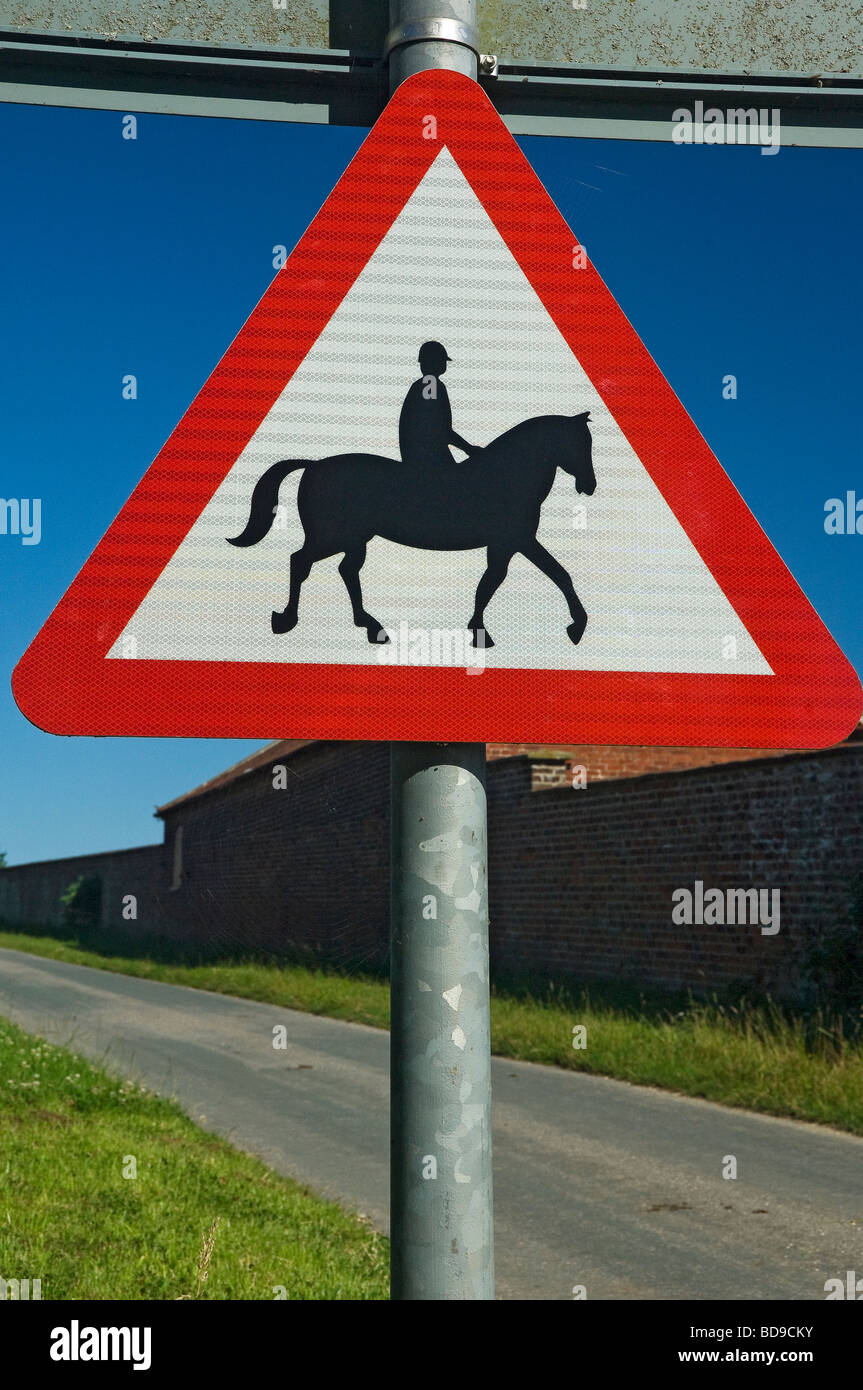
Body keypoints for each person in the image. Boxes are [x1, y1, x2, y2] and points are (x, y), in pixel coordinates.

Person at [398, 342, 481, 469]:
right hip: (428, 455)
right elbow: (436, 427)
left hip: (419, 453)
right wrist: (468, 448)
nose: (444, 364)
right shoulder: (430, 384)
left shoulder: (424, 384)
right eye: (442, 360)